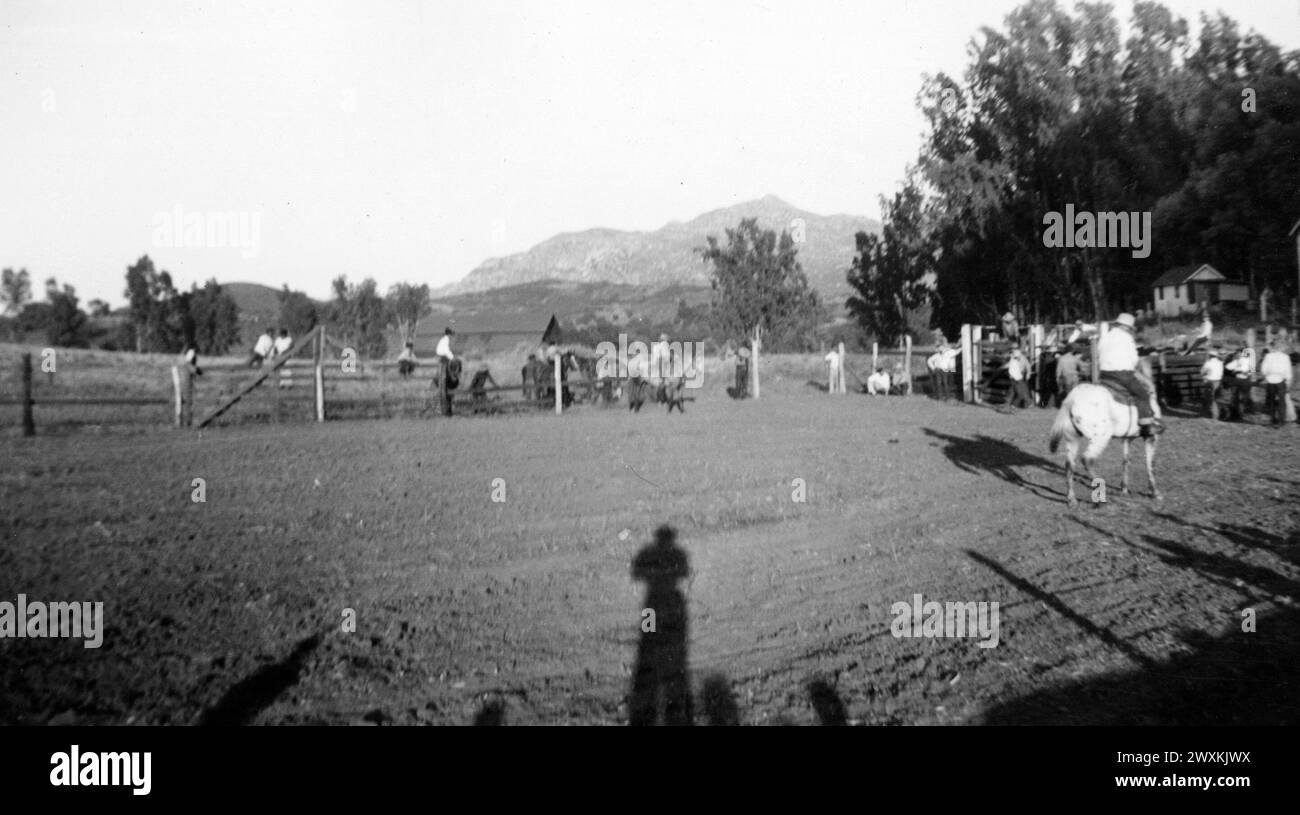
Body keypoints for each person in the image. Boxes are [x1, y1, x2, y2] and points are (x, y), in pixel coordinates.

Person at [1098, 313, 1163, 435]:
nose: (1129, 331)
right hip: (1122, 375)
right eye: (1129, 328)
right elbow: (1134, 360)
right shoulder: (1127, 338)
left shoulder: (1105, 336)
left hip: (1104, 375)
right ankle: (1147, 425)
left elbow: (1099, 352)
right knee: (1142, 394)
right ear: (1126, 327)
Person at [1260, 343, 1293, 427]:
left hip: (1270, 380)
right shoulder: (1285, 357)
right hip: (1281, 380)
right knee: (1281, 402)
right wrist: (1288, 382)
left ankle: (1272, 419)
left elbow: (1263, 369)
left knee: (1271, 401)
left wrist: (1266, 377)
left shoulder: (1268, 356)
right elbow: (1288, 371)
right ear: (1281, 348)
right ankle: (1281, 421)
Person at [1200, 349, 1224, 420]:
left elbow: (1202, 372)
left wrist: (1204, 375)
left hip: (1210, 382)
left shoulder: (1208, 363)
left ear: (1210, 355)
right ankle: (1205, 413)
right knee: (1212, 398)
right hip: (1218, 381)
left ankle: (1214, 416)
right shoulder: (1220, 363)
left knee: (1211, 399)